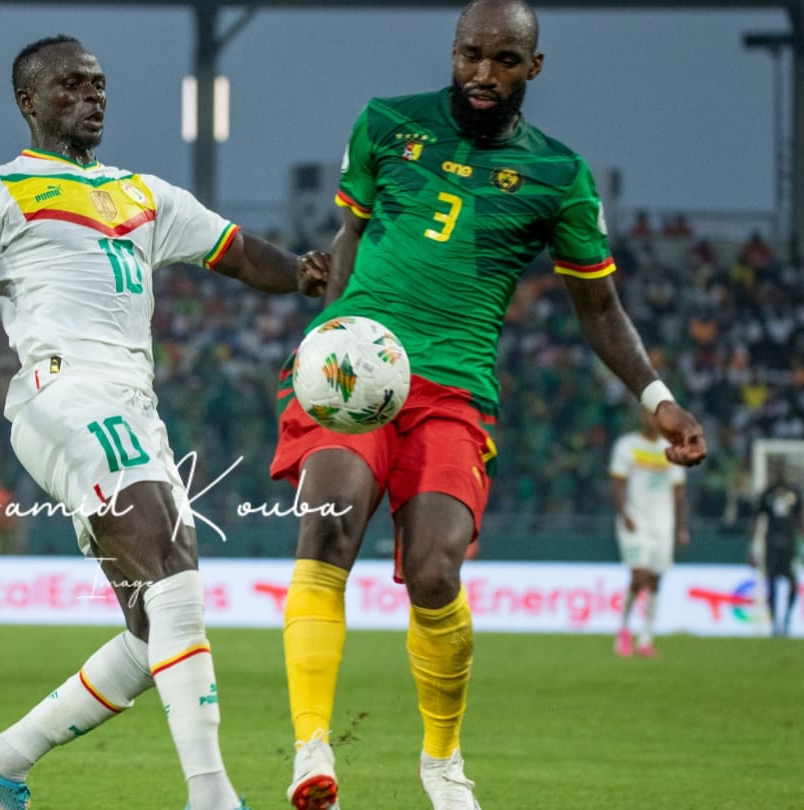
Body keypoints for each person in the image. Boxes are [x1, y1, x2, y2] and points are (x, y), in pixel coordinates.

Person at [268, 3, 708, 808]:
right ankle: (311, 748)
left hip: (455, 388)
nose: (482, 73)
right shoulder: (385, 123)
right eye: (470, 54)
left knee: (435, 571)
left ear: (533, 68)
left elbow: (599, 307)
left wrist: (659, 399)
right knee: (327, 531)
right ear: (452, 51)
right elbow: (350, 236)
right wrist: (327, 337)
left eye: (505, 60)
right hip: (353, 370)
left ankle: (442, 764)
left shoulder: (558, 175)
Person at [0, 35, 327, 810]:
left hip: (134, 406)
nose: (91, 96)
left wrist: (299, 273)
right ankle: (212, 796)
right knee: (173, 570)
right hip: (61, 394)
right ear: (29, 101)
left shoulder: (144, 195)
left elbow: (235, 252)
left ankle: (3, 759)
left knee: (153, 622)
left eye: (97, 84)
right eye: (70, 85)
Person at [609, 407, 689, 657]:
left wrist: (681, 527)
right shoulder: (627, 446)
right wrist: (623, 513)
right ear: (640, 417)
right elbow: (617, 483)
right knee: (639, 576)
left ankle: (646, 638)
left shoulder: (672, 449)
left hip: (663, 525)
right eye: (647, 415)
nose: (651, 421)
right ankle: (623, 630)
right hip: (635, 522)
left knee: (655, 581)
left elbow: (678, 491)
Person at [755, 460, 802, 637]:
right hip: (772, 544)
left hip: (789, 544)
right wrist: (753, 546)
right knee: (772, 582)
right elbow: (757, 517)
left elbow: (800, 517)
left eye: (782, 469)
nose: (779, 473)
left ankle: (787, 618)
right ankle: (775, 622)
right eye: (777, 470)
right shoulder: (768, 493)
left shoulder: (794, 492)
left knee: (793, 583)